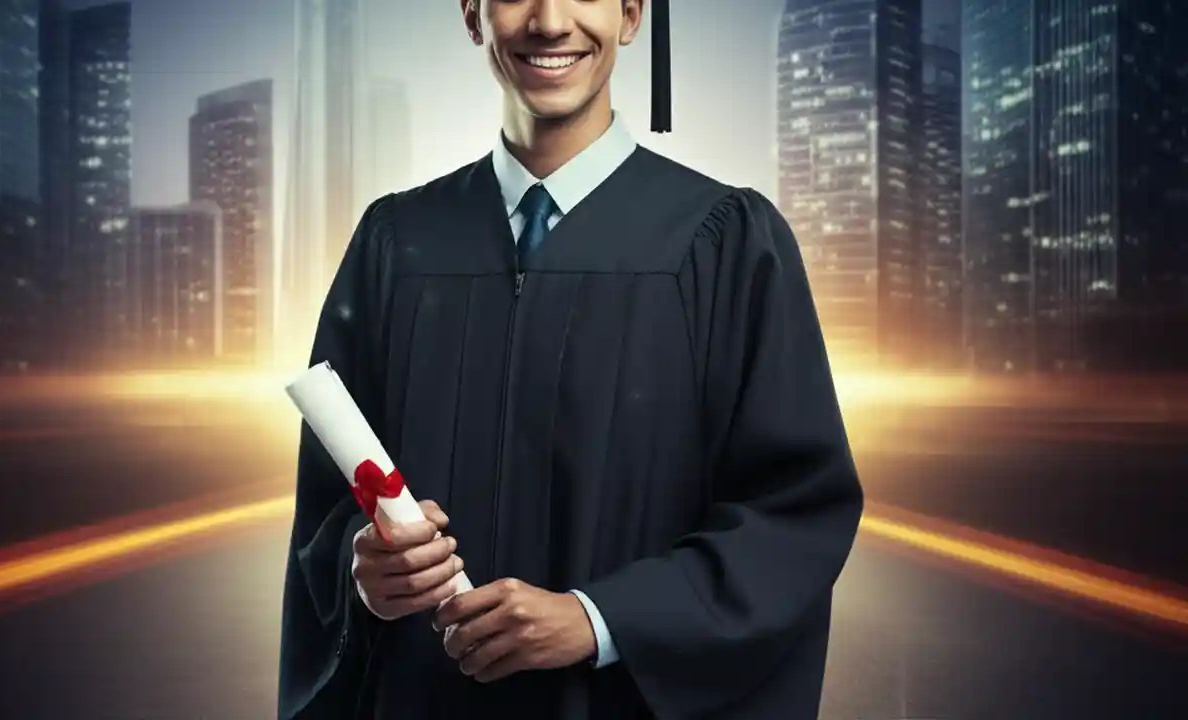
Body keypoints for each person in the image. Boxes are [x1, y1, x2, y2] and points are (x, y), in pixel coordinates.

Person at [278, 0, 864, 717]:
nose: (551, 21)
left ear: (631, 13)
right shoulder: (396, 244)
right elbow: (328, 506)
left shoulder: (725, 243)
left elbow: (794, 511)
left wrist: (601, 619)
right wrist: (359, 570)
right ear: (473, 14)